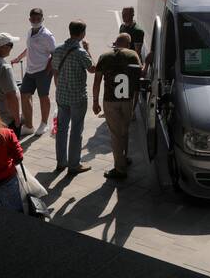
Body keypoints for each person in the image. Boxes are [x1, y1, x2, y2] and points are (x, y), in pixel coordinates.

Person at [93, 32, 142, 181]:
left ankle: (119, 169)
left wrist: (95, 101)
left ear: (115, 43)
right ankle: (124, 158)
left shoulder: (104, 57)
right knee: (124, 131)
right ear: (128, 44)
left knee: (115, 135)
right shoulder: (133, 55)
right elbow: (139, 77)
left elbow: (97, 81)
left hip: (110, 100)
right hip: (127, 100)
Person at [52, 20, 94, 174]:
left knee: (62, 129)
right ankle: (74, 164)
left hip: (61, 96)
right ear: (82, 34)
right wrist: (88, 49)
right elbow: (92, 69)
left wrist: (60, 88)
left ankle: (61, 162)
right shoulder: (80, 52)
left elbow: (55, 72)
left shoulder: (57, 50)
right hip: (77, 97)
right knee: (76, 130)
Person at [11, 8, 57, 135]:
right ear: (29, 19)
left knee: (43, 97)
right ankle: (29, 125)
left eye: (38, 19)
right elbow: (29, 48)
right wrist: (18, 58)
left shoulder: (47, 35)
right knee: (24, 95)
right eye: (33, 19)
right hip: (30, 70)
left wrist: (48, 70)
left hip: (43, 70)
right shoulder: (30, 31)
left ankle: (44, 124)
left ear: (42, 19)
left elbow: (54, 54)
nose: (36, 21)